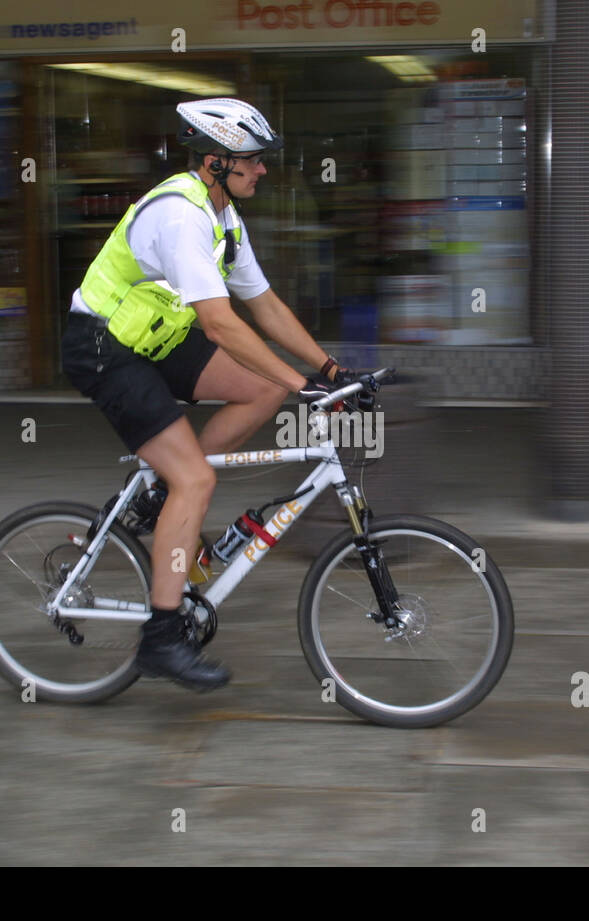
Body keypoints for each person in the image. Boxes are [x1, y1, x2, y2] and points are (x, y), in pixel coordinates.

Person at [61, 98, 352, 692]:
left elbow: (264, 305)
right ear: (216, 161)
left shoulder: (224, 219)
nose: (263, 170)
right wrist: (305, 387)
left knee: (263, 388)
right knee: (198, 479)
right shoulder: (181, 216)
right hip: (105, 347)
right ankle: (162, 638)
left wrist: (324, 369)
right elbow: (220, 324)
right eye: (253, 160)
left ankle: (163, 485)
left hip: (156, 340)